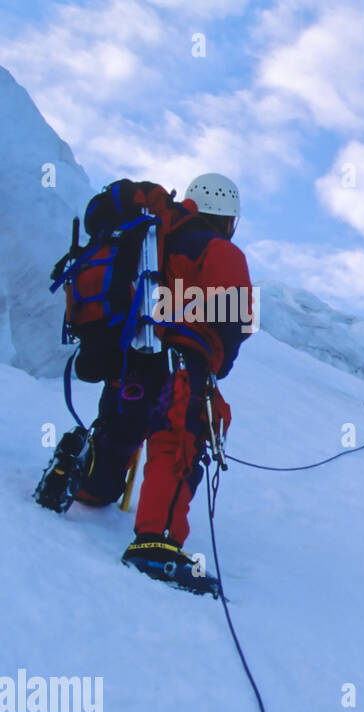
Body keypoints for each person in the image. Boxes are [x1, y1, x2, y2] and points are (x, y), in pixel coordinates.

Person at [37, 173, 254, 596]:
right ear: (228, 218)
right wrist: (216, 361)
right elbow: (235, 321)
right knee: (178, 444)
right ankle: (156, 544)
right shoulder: (221, 250)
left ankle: (83, 476)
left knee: (118, 436)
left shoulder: (151, 234)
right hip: (182, 366)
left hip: (130, 358)